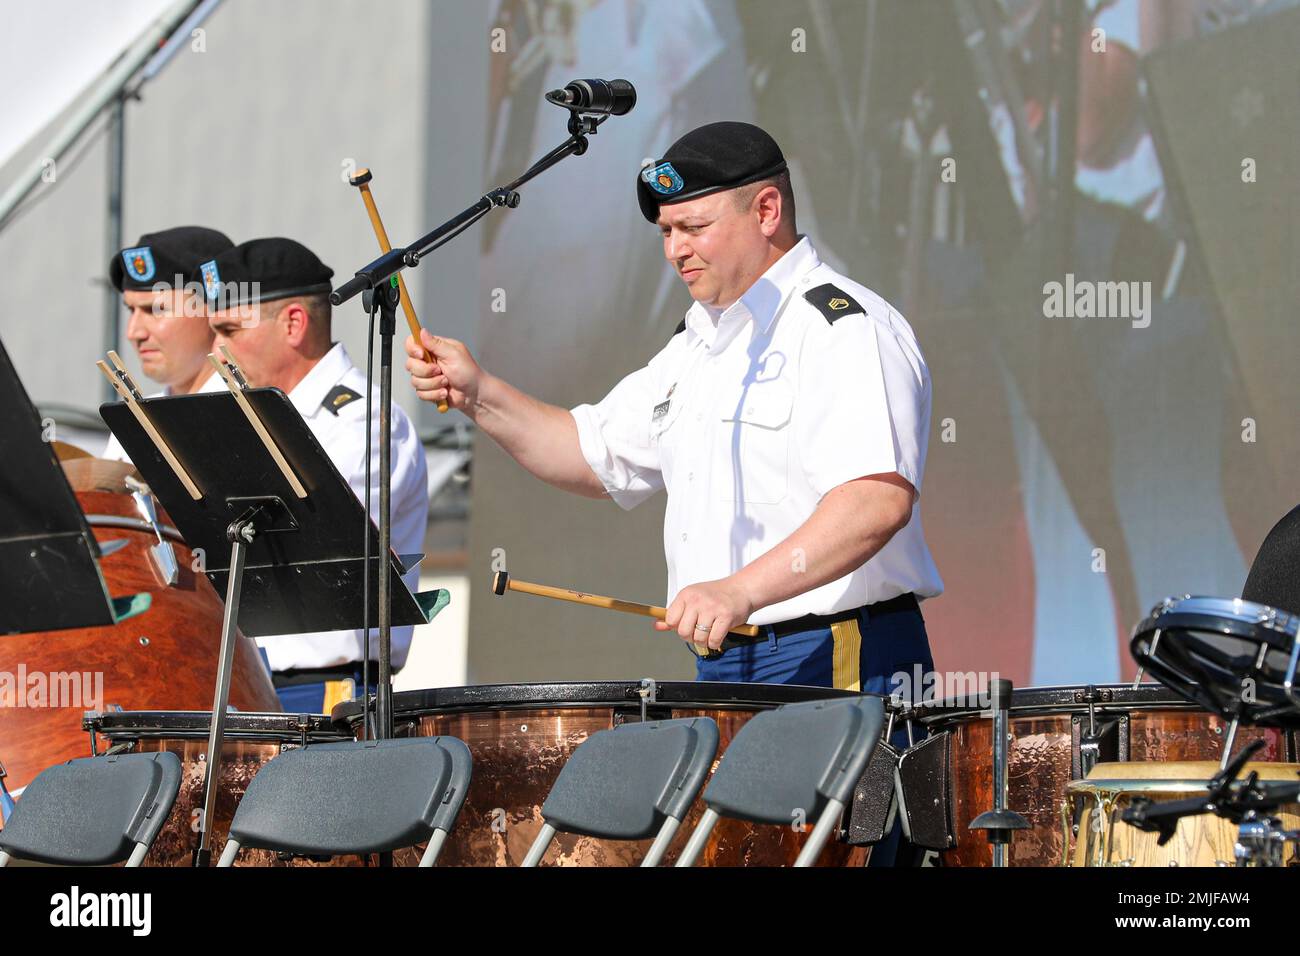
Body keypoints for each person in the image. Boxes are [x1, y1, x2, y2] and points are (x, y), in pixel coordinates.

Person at [407, 121, 942, 696]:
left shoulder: (842, 327)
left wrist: (740, 590)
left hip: (835, 651)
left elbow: (875, 500)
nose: (675, 250)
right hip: (723, 659)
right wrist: (477, 393)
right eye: (665, 232)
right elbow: (592, 454)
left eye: (694, 227)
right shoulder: (697, 346)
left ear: (766, 211)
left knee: (847, 793)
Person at [200, 237, 429, 713]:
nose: (216, 350)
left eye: (228, 330)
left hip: (325, 696)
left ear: (293, 324)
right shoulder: (253, 415)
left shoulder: (365, 424)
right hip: (244, 684)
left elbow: (299, 541)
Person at [103, 226, 234, 461]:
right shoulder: (133, 426)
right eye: (131, 310)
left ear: (215, 312)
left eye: (156, 309)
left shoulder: (251, 419)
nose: (133, 333)